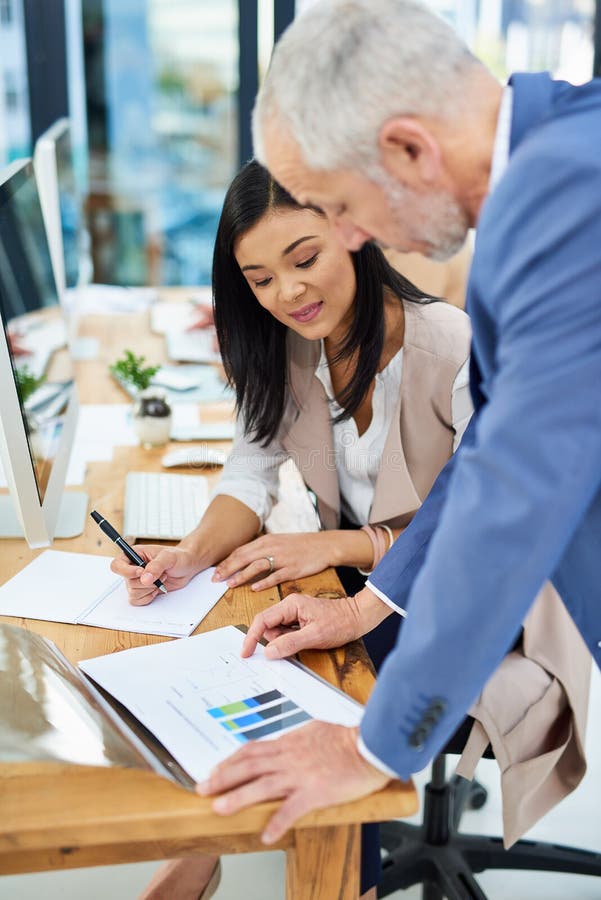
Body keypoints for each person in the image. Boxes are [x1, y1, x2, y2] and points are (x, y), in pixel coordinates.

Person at [196, 0, 601, 854]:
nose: (352, 237)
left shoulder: (568, 200)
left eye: (341, 209)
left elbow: (512, 494)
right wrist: (367, 607)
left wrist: (373, 745)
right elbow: (485, 454)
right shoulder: (547, 174)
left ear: (409, 149)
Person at [115, 158, 471, 900]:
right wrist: (189, 554)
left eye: (305, 259)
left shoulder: (448, 344)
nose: (288, 293)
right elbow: (249, 475)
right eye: (261, 278)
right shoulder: (289, 345)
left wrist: (344, 547)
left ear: (353, 234)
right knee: (239, 624)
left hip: (467, 593)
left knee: (324, 669)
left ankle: (330, 878)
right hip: (363, 583)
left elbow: (485, 517)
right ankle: (208, 835)